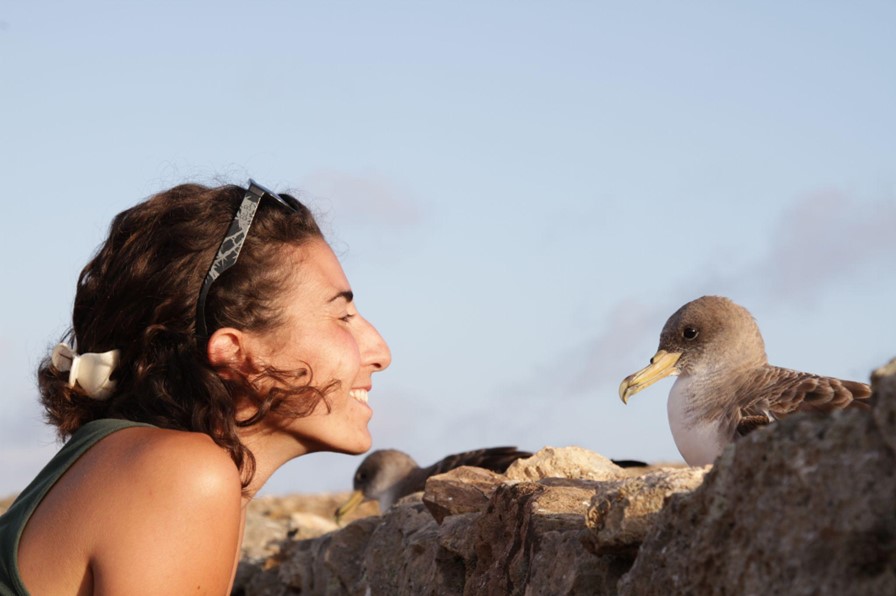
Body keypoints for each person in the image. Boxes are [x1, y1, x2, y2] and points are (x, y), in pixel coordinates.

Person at [0, 179, 391, 595]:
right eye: (342, 316)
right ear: (237, 354)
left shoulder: (129, 464)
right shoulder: (182, 476)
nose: (380, 352)